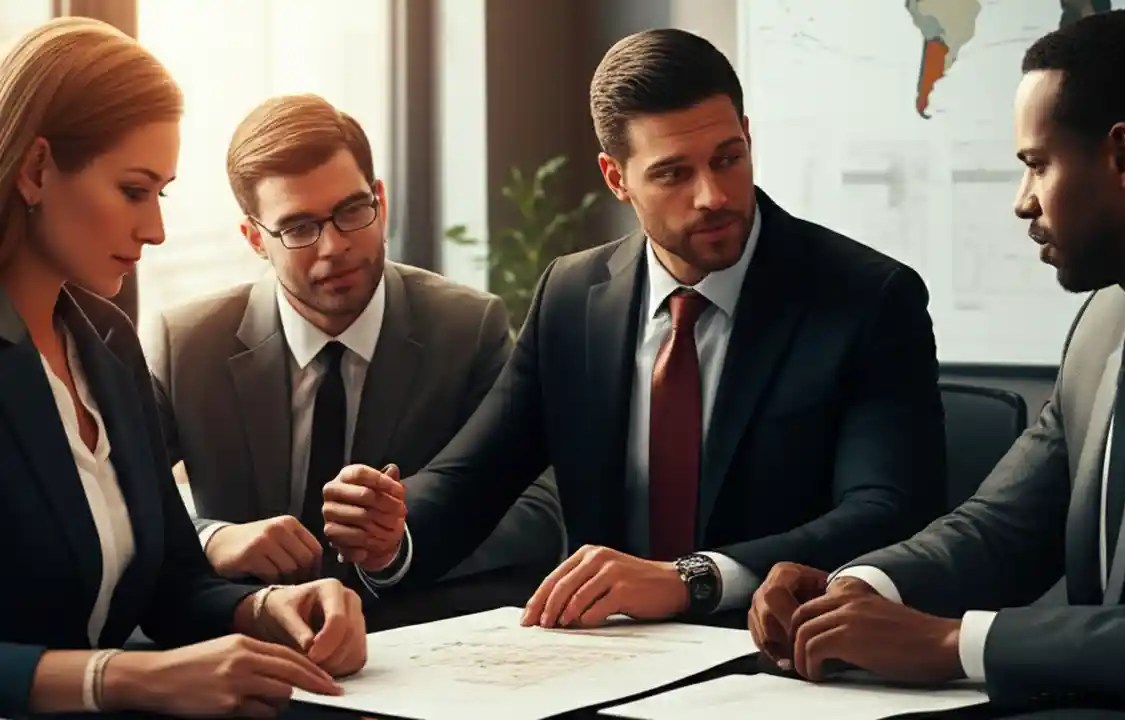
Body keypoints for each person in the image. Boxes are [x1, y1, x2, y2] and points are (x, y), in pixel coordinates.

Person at [322, 28, 946, 628]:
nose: (713, 196)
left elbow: (887, 513)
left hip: (779, 654)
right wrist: (391, 534)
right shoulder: (572, 295)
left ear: (749, 138)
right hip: (611, 659)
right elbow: (475, 477)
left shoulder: (867, 298)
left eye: (728, 158)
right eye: (673, 173)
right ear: (616, 178)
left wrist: (691, 578)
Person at [748, 8, 1125, 711]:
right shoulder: (1102, 327)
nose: (1022, 202)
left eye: (1037, 164)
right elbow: (1000, 528)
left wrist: (955, 645)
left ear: (1122, 157)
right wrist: (857, 590)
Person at [0, 18, 366, 717]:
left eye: (161, 195)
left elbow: (170, 580)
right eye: (134, 191)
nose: (155, 230)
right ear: (37, 168)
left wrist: (268, 608)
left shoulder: (106, 341)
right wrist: (122, 679)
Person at [148, 94, 565, 592]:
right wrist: (213, 539)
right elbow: (123, 509)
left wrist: (402, 538)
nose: (335, 246)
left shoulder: (467, 328)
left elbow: (539, 511)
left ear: (381, 201)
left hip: (412, 641)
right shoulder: (188, 346)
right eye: (300, 227)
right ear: (255, 238)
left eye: (352, 210)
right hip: (249, 637)